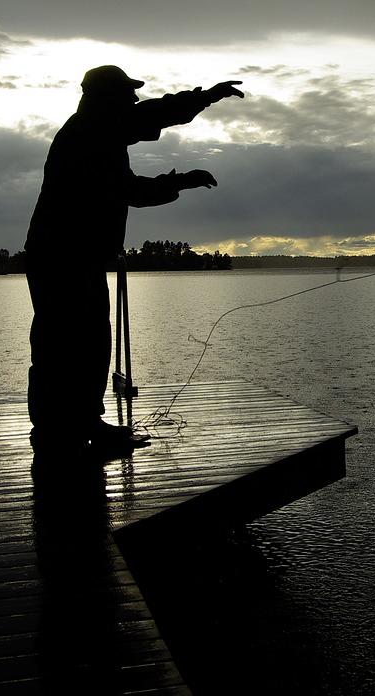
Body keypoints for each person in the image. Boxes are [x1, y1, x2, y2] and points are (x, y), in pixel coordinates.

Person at [24, 65, 243, 455]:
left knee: (82, 342)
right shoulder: (91, 131)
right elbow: (145, 137)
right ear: (105, 98)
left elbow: (134, 174)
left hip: (72, 257)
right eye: (127, 93)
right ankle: (60, 429)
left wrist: (179, 177)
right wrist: (204, 98)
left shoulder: (99, 135)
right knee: (68, 343)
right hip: (64, 259)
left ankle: (76, 425)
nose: (134, 99)